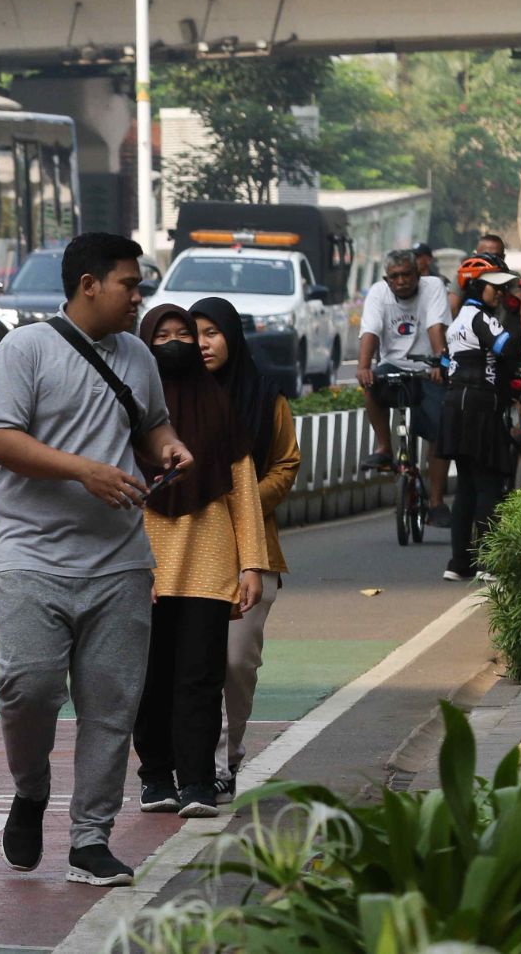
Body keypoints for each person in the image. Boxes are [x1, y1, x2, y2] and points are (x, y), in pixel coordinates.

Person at [0, 231, 193, 887]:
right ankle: (31, 786)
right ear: (90, 284)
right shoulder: (26, 349)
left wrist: (169, 447)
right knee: (29, 687)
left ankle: (90, 839)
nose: (139, 298)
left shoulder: (137, 356)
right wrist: (85, 473)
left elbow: (151, 424)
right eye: (130, 285)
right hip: (29, 557)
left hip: (120, 561)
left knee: (110, 706)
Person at [131, 304, 268, 819]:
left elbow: (244, 493)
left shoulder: (220, 409)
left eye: (181, 334)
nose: (173, 343)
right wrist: (125, 564)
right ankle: (155, 777)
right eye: (161, 335)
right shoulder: (131, 413)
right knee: (150, 678)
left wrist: (250, 563)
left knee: (201, 678)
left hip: (212, 564)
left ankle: (196, 782)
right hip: (145, 565)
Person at [189, 297, 301, 807]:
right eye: (193, 333)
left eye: (211, 332)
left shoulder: (265, 398)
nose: (202, 343)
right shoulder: (174, 398)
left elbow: (286, 464)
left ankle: (228, 755)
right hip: (187, 553)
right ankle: (203, 766)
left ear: (232, 335)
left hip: (255, 554)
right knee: (197, 663)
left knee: (236, 662)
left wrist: (242, 500)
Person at [439, 255, 521, 582]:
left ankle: (458, 563)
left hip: (453, 406)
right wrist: (519, 319)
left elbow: (449, 363)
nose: (500, 293)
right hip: (478, 407)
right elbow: (507, 348)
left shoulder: (457, 321)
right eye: (495, 287)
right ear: (477, 286)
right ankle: (489, 564)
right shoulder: (481, 318)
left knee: (466, 488)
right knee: (489, 484)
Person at [356, 248, 453, 527]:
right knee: (371, 382)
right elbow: (370, 331)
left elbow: (436, 328)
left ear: (418, 274)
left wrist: (438, 362)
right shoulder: (378, 293)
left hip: (426, 370)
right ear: (387, 279)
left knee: (440, 427)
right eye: (395, 276)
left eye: (407, 274)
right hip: (393, 367)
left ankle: (435, 502)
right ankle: (385, 447)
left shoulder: (432, 287)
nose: (401, 281)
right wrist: (364, 367)